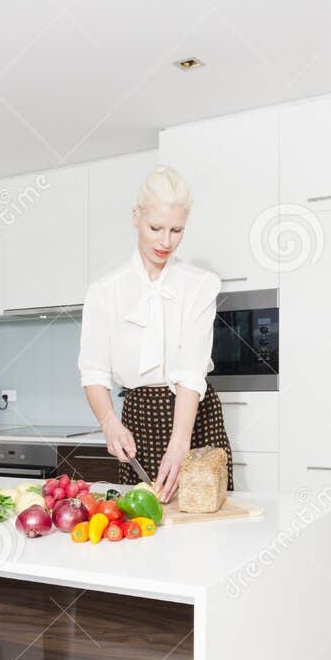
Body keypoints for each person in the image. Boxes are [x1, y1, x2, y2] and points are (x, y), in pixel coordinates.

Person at [77, 165, 233, 502]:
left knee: (207, 525)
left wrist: (180, 444)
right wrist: (109, 423)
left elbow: (192, 373)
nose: (166, 241)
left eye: (177, 230)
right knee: (143, 523)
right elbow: (93, 371)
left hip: (194, 415)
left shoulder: (201, 285)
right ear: (135, 217)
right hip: (137, 421)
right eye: (156, 228)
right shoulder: (105, 291)